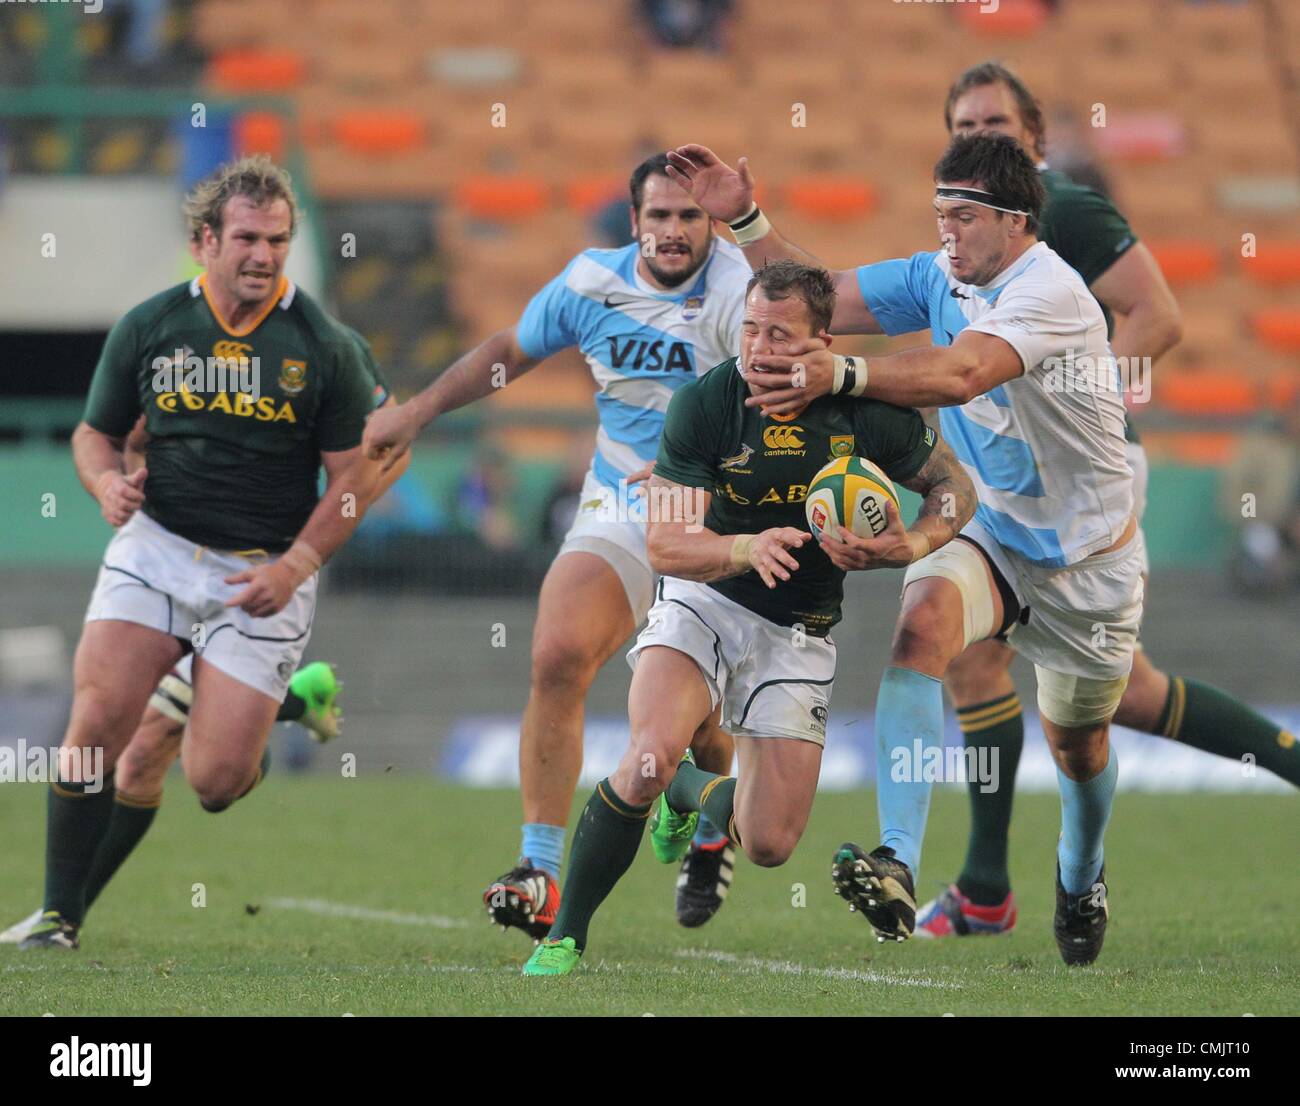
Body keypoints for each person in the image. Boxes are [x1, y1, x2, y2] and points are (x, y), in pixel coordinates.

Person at [667, 132, 1145, 964]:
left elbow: (963, 374)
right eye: (940, 215)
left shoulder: (1052, 292)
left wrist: (841, 375)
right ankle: (897, 861)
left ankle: (1082, 872)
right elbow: (819, 300)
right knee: (919, 630)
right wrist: (745, 222)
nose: (947, 233)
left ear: (1016, 221)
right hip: (992, 530)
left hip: (1091, 561)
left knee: (1080, 743)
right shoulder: (936, 276)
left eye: (964, 217)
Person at [907, 62, 1299, 938]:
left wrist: (1079, 401)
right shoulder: (966, 231)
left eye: (997, 125)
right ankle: (990, 887)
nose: (982, 138)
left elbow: (1157, 315)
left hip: (1081, 481)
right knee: (1100, 691)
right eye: (965, 126)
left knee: (1018, 675)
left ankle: (987, 888)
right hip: (1018, 485)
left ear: (1035, 137)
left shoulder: (1066, 210)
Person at [522, 260, 975, 975]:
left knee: (768, 845)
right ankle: (563, 938)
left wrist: (911, 544)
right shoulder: (706, 404)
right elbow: (666, 545)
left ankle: (691, 795)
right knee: (646, 759)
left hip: (800, 628)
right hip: (704, 600)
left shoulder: (868, 415)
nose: (760, 348)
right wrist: (745, 547)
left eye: (780, 335)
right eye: (751, 329)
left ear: (822, 343)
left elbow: (953, 485)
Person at [362, 154, 753, 937]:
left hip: (719, 509)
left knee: (700, 724)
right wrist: (417, 412)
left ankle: (710, 830)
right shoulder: (590, 282)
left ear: (711, 223)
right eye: (658, 215)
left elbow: (783, 399)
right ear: (634, 222)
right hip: (621, 502)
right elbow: (509, 351)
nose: (674, 230)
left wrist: (717, 472)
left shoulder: (742, 292)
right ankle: (538, 870)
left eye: (689, 216)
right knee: (557, 654)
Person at [21, 155, 388, 950]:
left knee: (216, 783)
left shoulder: (324, 345)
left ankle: (287, 701)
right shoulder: (150, 326)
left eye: (278, 240)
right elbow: (94, 434)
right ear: (204, 242)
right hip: (156, 547)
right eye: (247, 238)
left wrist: (295, 566)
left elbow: (356, 482)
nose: (264, 255)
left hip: (262, 568)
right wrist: (104, 484)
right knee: (96, 726)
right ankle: (56, 917)